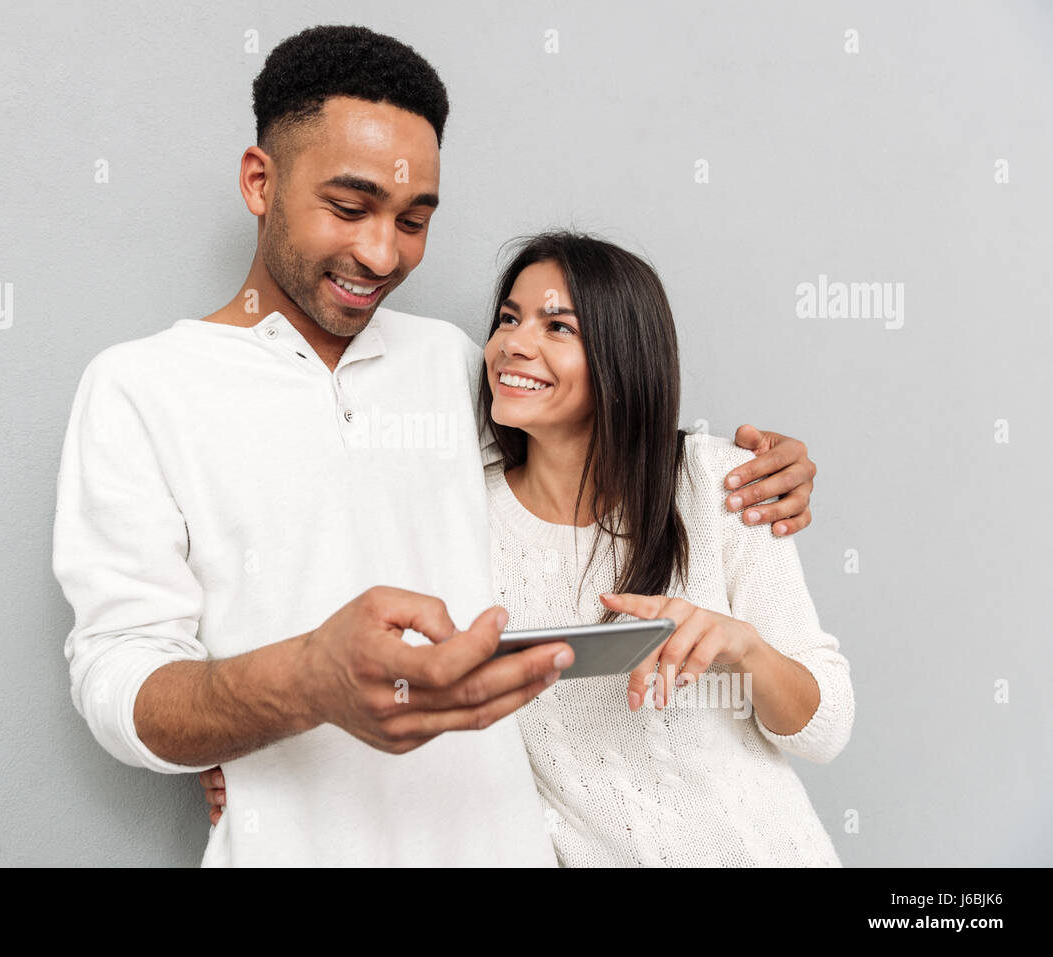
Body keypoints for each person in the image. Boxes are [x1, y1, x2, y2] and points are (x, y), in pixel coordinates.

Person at [55, 24, 818, 867]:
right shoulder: (140, 389)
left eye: (413, 219)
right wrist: (297, 684)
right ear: (259, 181)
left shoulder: (454, 365)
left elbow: (594, 446)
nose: (381, 253)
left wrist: (748, 472)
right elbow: (119, 678)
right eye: (348, 208)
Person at [206, 231, 851, 866]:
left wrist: (741, 646)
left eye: (557, 327)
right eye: (508, 319)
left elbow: (826, 726)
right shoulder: (461, 515)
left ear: (622, 357)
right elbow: (370, 666)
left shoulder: (723, 484)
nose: (514, 345)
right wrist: (255, 761)